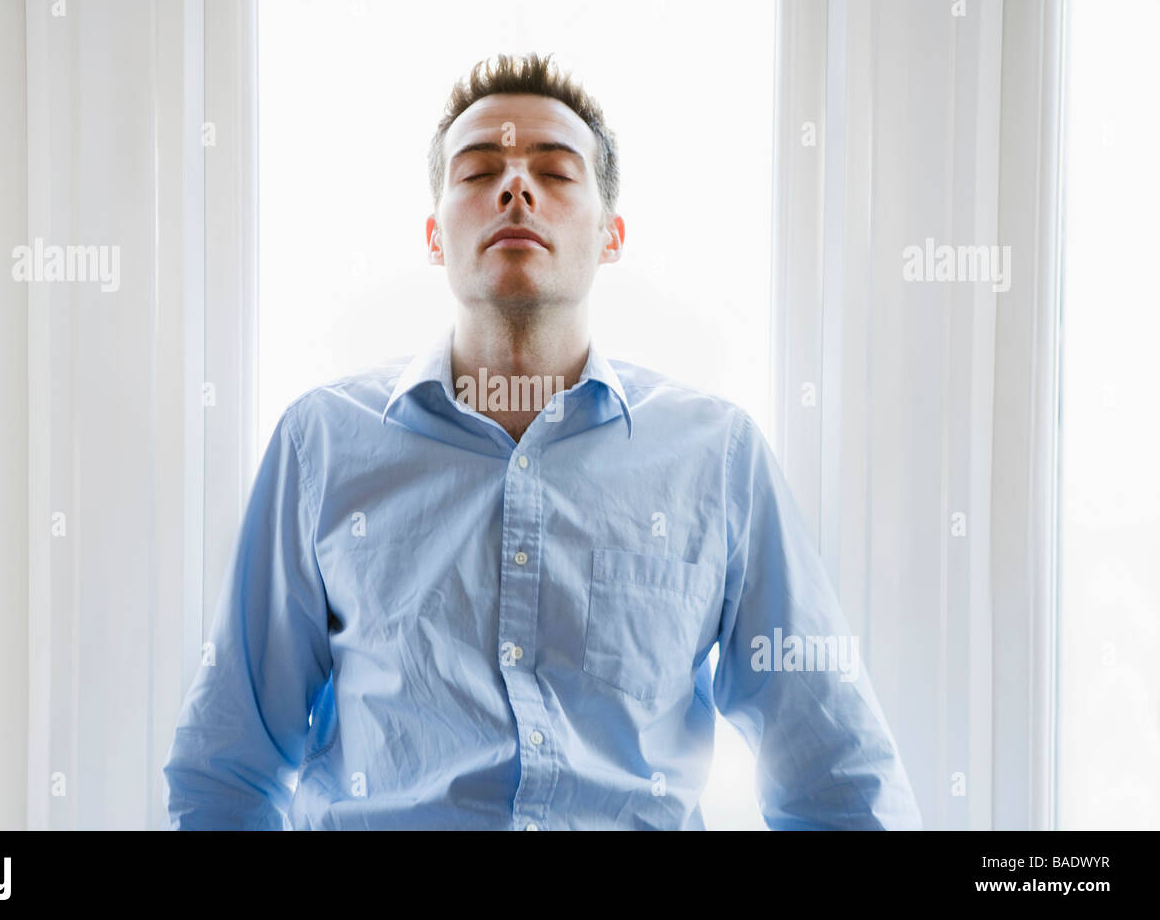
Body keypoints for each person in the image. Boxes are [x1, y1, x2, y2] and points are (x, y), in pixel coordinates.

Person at [161, 52, 922, 830]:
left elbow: (838, 778)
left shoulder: (718, 456)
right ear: (434, 234)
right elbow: (227, 773)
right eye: (478, 169)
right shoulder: (320, 444)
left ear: (611, 234)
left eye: (555, 173)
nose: (514, 186)